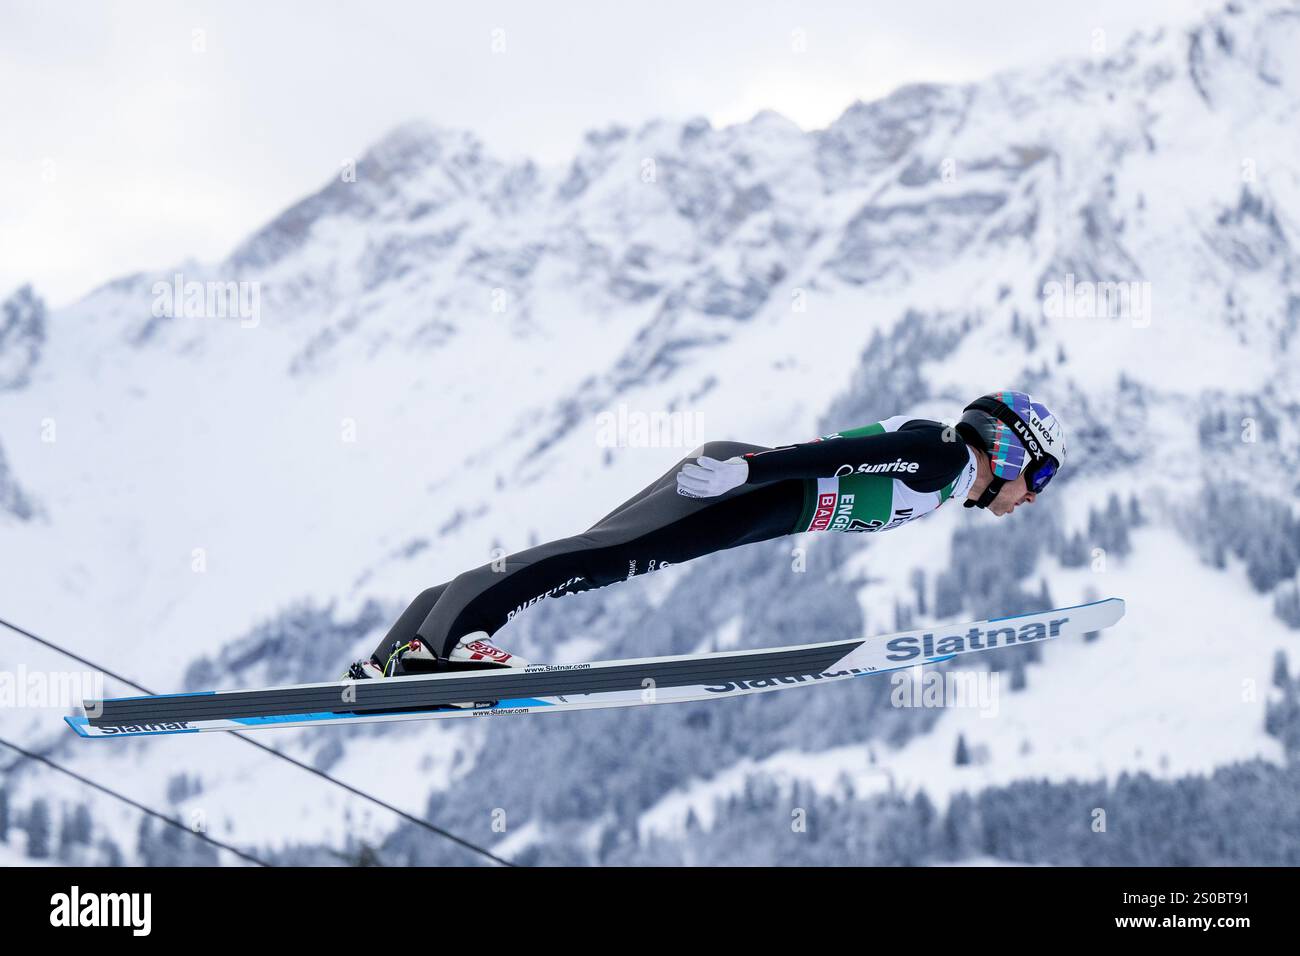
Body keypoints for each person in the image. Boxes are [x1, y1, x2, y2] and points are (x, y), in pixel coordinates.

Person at [344, 389, 1066, 680]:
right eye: (1039, 477)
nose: (1032, 498)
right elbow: (833, 457)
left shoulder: (940, 469)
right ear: (1009, 448)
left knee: (590, 555)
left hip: (752, 490)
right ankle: (447, 646)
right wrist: (748, 472)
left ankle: (404, 647)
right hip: (752, 488)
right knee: (602, 559)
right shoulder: (944, 457)